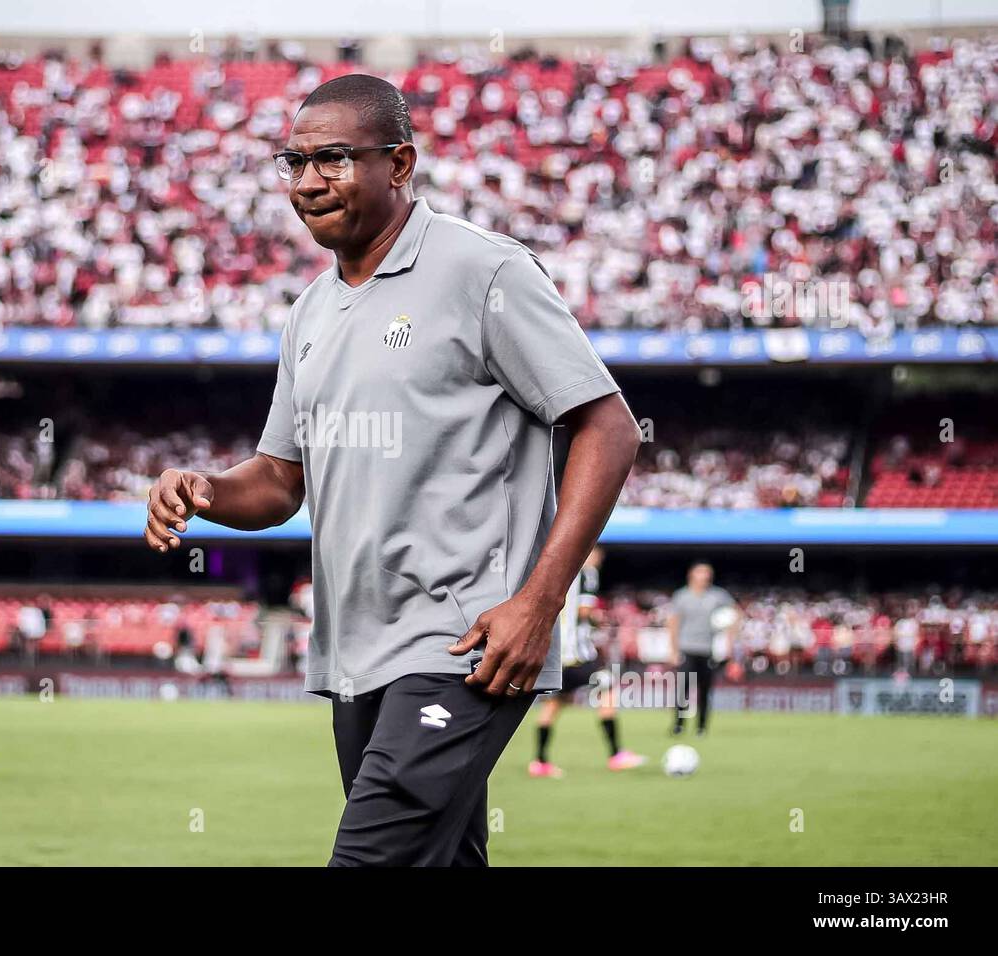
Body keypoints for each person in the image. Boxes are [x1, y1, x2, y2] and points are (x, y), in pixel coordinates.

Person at [145, 74, 639, 866]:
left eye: (334, 159)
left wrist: (538, 605)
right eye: (295, 162)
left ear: (400, 163)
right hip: (354, 653)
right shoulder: (309, 312)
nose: (308, 183)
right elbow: (279, 480)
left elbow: (607, 427)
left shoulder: (483, 272)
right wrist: (203, 490)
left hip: (464, 644)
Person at [529, 547, 646, 776]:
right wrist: (599, 619)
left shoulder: (560, 573)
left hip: (557, 654)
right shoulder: (587, 573)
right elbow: (585, 611)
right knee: (608, 688)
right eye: (596, 555)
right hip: (577, 655)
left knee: (554, 704)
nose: (598, 561)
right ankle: (616, 755)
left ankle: (539, 762)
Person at [667, 562, 739, 737]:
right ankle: (679, 725)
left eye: (707, 574)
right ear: (691, 575)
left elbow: (735, 614)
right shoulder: (681, 596)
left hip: (708, 650)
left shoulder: (718, 595)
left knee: (705, 690)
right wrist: (674, 650)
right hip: (687, 648)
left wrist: (729, 640)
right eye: (701, 573)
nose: (705, 577)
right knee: (683, 690)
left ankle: (701, 727)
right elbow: (674, 623)